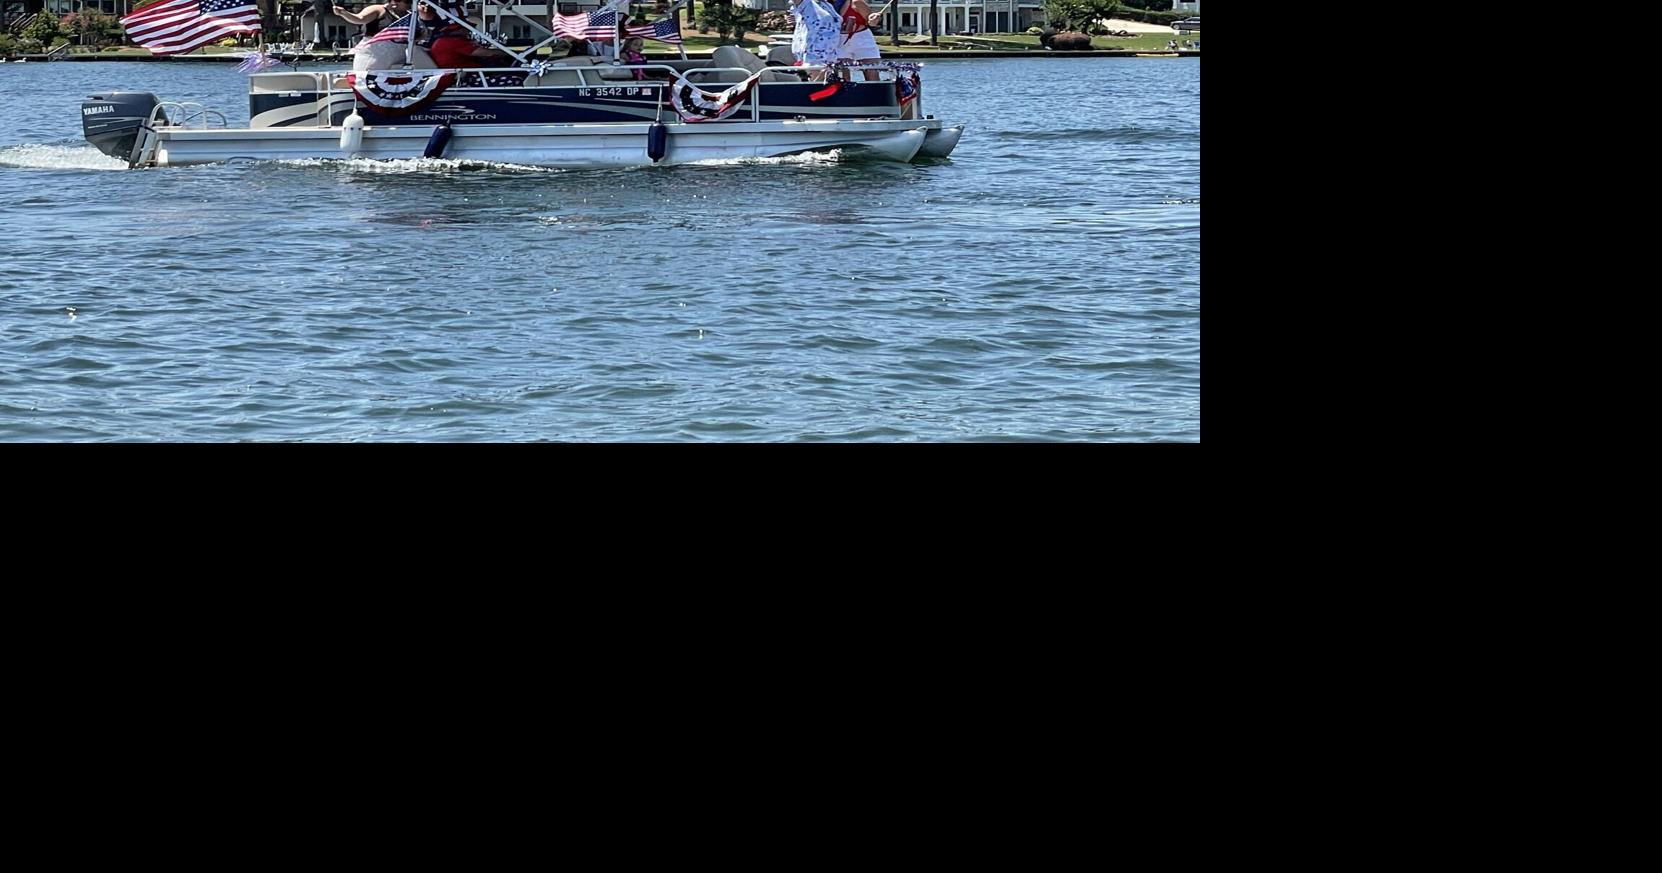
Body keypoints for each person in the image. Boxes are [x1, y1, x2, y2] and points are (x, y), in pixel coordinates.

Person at [832, 0, 881, 82]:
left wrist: (875, 19)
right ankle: (846, 94)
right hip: (839, 40)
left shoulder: (856, 2)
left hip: (862, 39)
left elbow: (871, 19)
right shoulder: (824, 4)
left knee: (872, 74)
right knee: (842, 78)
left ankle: (875, 93)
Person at [332, 0, 409, 41]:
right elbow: (359, 19)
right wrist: (343, 13)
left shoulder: (411, 15)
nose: (410, 5)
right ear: (395, 1)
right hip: (374, 52)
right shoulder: (378, 9)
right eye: (407, 2)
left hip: (400, 55)